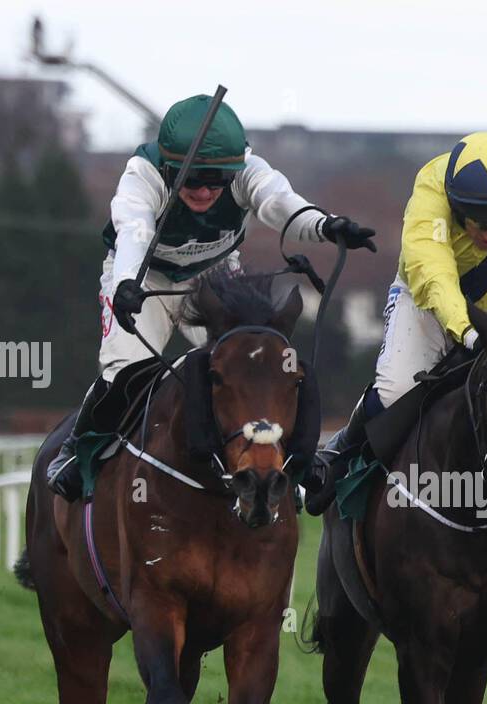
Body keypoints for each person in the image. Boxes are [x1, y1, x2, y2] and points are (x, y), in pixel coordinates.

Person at [46, 93, 376, 500]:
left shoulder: (248, 170)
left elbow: (279, 203)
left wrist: (326, 226)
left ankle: (306, 462)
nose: (204, 191)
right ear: (170, 168)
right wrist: (127, 283)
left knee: (264, 366)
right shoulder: (142, 174)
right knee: (124, 373)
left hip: (212, 277)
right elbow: (135, 231)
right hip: (144, 279)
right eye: (192, 180)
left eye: (216, 180)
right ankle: (76, 452)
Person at [302, 130, 487, 515]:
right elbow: (434, 275)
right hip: (423, 299)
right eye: (482, 227)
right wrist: (470, 333)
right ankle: (340, 453)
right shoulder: (431, 188)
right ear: (459, 209)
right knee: (395, 390)